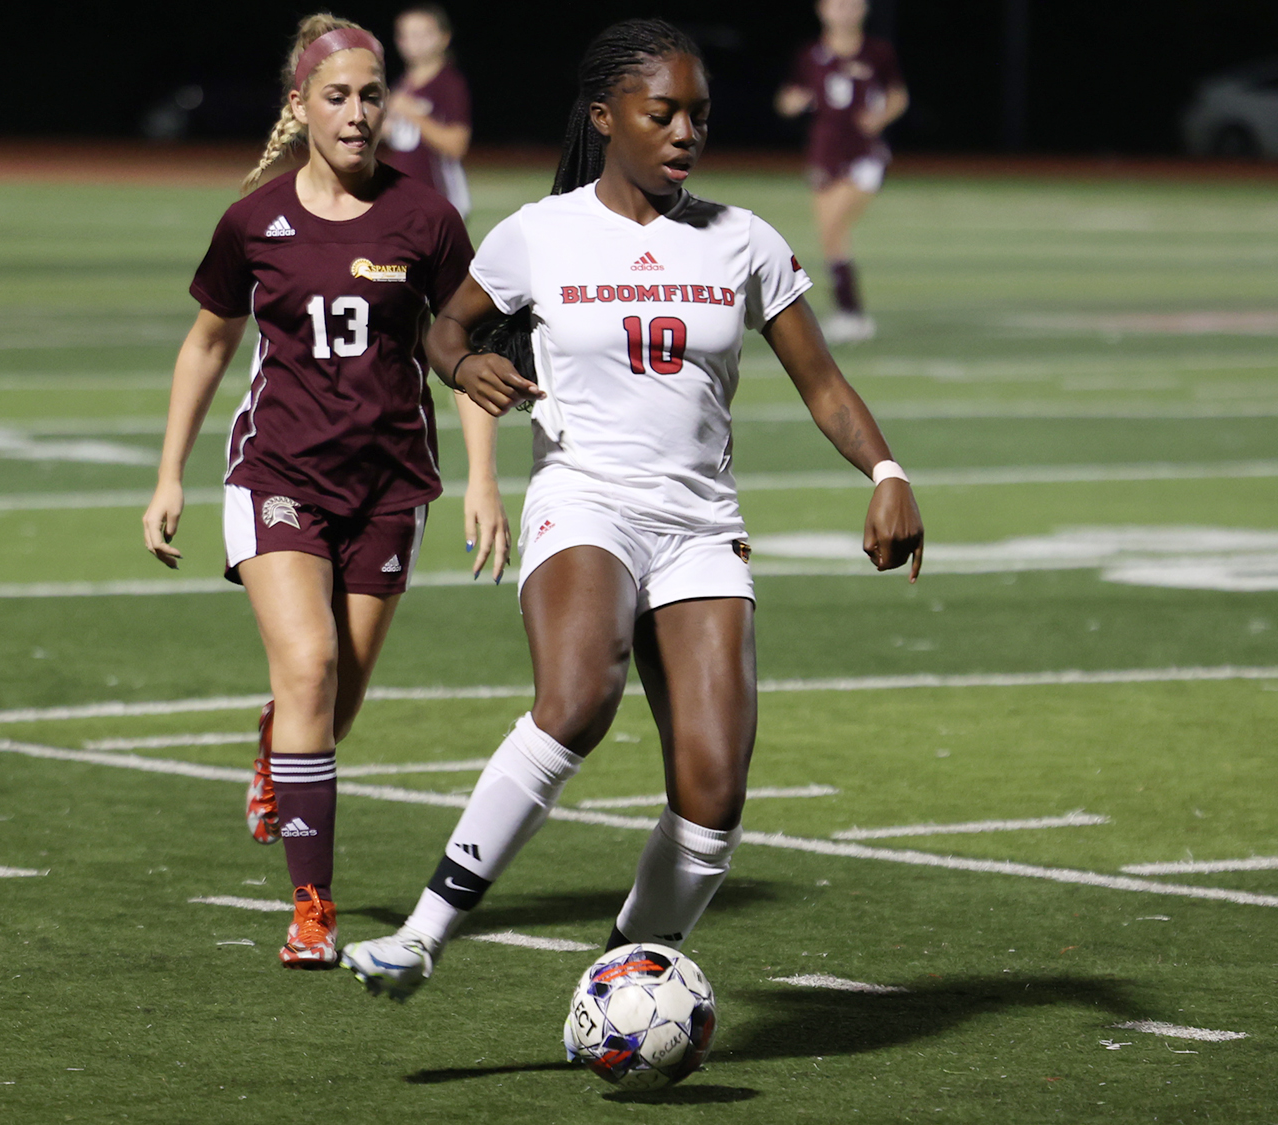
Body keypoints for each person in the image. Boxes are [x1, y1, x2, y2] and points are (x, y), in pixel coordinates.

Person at [342, 18, 924, 1000]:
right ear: (607, 117)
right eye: (663, 114)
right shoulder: (541, 231)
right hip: (585, 501)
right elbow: (442, 328)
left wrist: (885, 474)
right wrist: (467, 363)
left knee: (712, 793)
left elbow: (821, 383)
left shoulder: (743, 240)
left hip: (698, 526)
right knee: (575, 700)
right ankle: (423, 932)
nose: (686, 132)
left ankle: (623, 977)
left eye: (698, 114)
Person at [141, 12, 508, 970]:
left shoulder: (424, 215)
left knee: (333, 699)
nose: (356, 114)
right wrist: (169, 473)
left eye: (370, 96)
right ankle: (313, 907)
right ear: (299, 104)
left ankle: (277, 748)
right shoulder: (252, 220)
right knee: (306, 667)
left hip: (390, 483)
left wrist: (481, 477)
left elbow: (461, 349)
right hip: (279, 473)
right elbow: (208, 344)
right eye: (336, 97)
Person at [775, 0, 907, 343]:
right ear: (822, 10)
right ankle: (850, 313)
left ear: (863, 10)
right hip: (825, 152)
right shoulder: (810, 54)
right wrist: (792, 102)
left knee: (835, 226)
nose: (844, 11)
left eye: (851, 5)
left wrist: (879, 118)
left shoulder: (877, 52)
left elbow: (897, 96)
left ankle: (851, 313)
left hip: (864, 154)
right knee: (830, 238)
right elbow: (790, 97)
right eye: (838, 5)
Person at [378, 2, 472, 217]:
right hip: (404, 198)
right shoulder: (402, 84)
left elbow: (456, 145)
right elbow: (401, 140)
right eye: (408, 35)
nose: (415, 42)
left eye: (424, 34)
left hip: (440, 199)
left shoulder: (449, 84)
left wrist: (413, 115)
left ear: (444, 37)